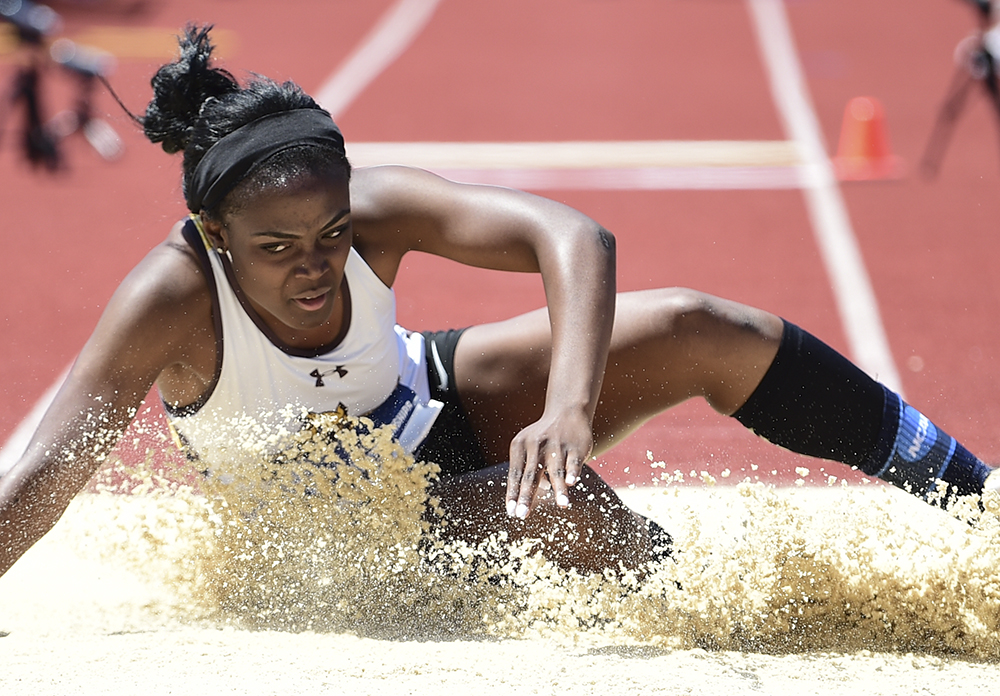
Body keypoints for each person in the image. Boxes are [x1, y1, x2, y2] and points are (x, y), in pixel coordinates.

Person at [0, 26, 996, 580]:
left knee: (703, 326)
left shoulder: (370, 204)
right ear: (217, 238)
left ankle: (979, 497)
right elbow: (46, 468)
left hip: (423, 402)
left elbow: (571, 238)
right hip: (345, 528)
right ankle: (694, 605)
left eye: (333, 237)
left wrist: (567, 404)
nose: (314, 268)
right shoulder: (169, 298)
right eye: (276, 251)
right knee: (569, 510)